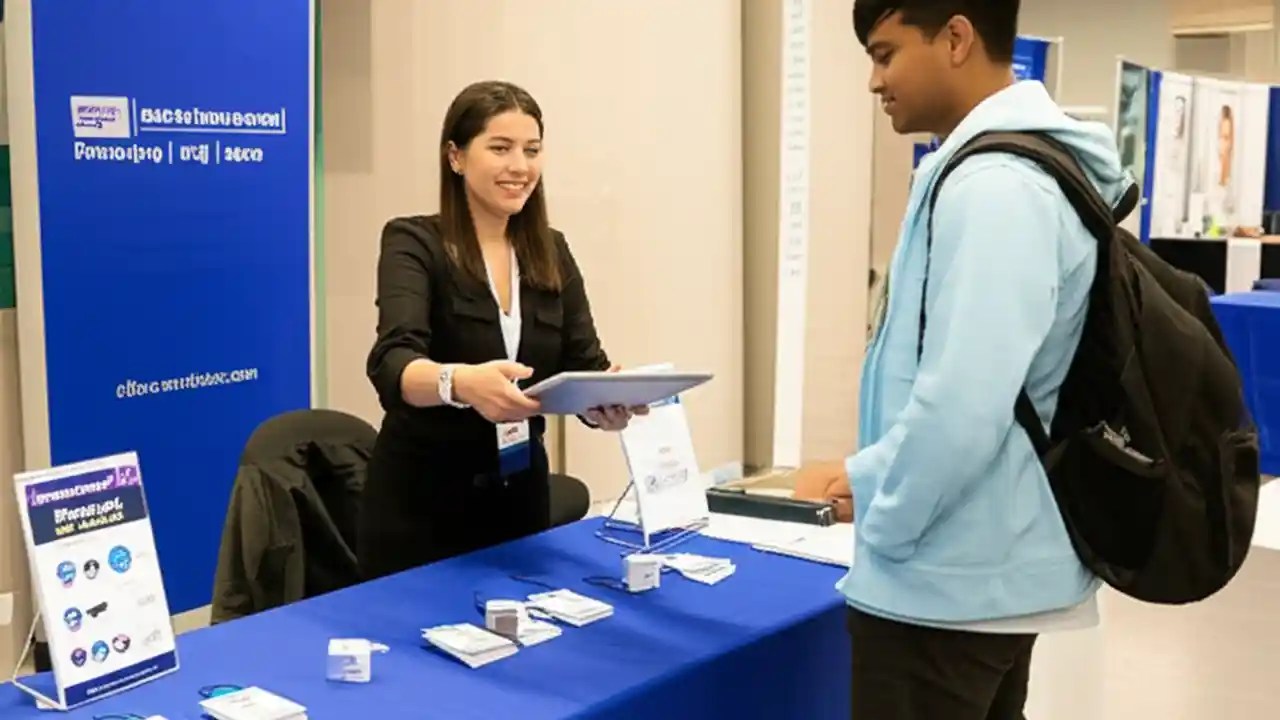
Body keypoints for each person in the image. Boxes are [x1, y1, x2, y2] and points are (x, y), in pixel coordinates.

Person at [827, 1, 1130, 717]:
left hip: (944, 582)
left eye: (885, 53)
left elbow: (963, 404)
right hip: (978, 565)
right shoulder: (1005, 171)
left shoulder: (995, 188)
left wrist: (879, 507)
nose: (875, 80)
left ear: (956, 37)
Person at [358, 80, 644, 581]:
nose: (520, 166)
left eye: (531, 150)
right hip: (422, 503)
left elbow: (583, 362)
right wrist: (460, 382)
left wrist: (604, 401)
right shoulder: (414, 241)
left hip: (520, 494)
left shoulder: (551, 250)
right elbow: (393, 363)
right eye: (500, 148)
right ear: (456, 157)